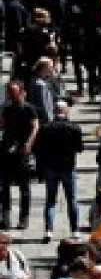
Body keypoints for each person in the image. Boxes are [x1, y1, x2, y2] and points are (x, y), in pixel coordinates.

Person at [34, 101, 84, 243]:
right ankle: (75, 230)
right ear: (66, 111)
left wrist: (39, 170)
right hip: (68, 167)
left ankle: (48, 230)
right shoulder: (74, 128)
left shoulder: (46, 128)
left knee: (50, 200)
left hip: (51, 167)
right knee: (72, 199)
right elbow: (79, 148)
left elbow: (39, 149)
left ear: (55, 111)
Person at [0, 81, 37, 231]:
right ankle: (6, 217)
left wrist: (29, 143)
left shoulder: (29, 108)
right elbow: (2, 124)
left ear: (21, 92)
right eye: (9, 91)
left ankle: (24, 217)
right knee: (4, 186)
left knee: (24, 187)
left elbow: (35, 126)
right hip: (7, 150)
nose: (11, 94)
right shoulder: (6, 108)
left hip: (22, 151)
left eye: (13, 91)